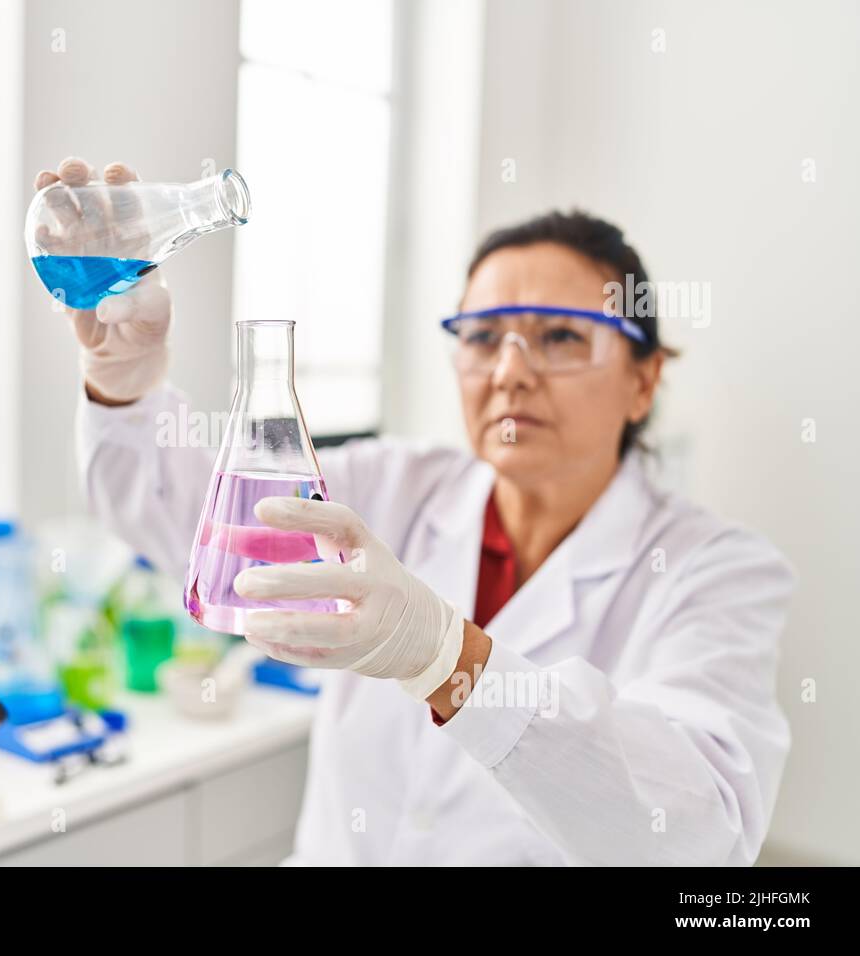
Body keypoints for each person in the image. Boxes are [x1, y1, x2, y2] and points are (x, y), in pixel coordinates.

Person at [39, 156, 793, 866]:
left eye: (559, 336)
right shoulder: (391, 486)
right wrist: (124, 380)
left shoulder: (716, 573)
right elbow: (193, 534)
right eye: (483, 337)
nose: (509, 373)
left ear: (643, 379)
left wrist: (445, 659)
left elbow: (698, 837)